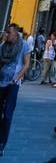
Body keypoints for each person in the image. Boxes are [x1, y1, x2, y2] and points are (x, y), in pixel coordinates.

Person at [0, 23, 30, 156]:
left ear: (16, 33)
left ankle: (2, 144)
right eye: (6, 32)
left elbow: (26, 64)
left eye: (9, 32)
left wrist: (16, 78)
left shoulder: (23, 45)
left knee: (7, 114)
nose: (7, 35)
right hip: (1, 82)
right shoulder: (3, 46)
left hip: (13, 83)